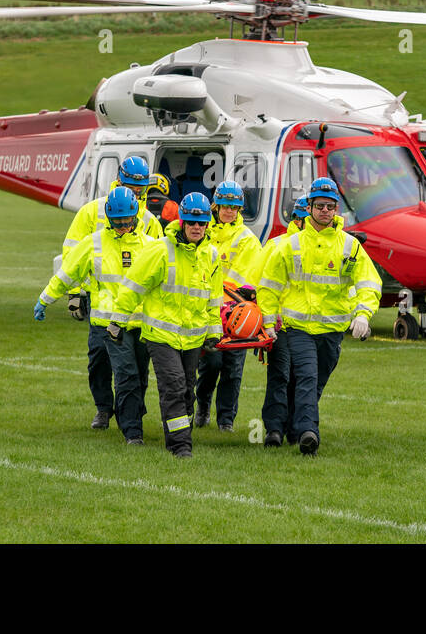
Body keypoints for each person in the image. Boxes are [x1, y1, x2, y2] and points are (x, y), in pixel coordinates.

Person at [257, 178, 381, 455]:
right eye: (319, 206)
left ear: (336, 210)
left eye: (330, 206)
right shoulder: (290, 246)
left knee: (316, 381)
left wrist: (362, 314)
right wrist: (268, 320)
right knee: (307, 377)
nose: (325, 211)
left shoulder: (350, 246)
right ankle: (308, 433)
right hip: (297, 328)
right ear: (309, 208)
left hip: (333, 330)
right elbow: (269, 285)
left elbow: (368, 283)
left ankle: (290, 425)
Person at [35, 187, 154, 440]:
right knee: (126, 374)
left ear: (136, 217)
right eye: (118, 222)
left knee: (140, 377)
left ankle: (130, 415)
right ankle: (132, 432)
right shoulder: (94, 244)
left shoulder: (150, 246)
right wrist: (44, 299)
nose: (123, 226)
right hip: (109, 325)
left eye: (128, 221)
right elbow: (67, 274)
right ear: (109, 219)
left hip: (141, 325)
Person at [111, 192, 224, 458]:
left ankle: (177, 432)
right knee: (172, 386)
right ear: (182, 221)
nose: (197, 227)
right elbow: (132, 287)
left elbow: (214, 298)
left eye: (203, 222)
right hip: (161, 336)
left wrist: (214, 331)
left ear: (208, 224)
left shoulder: (211, 255)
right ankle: (180, 445)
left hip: (194, 338)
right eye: (192, 222)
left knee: (186, 391)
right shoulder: (160, 250)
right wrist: (117, 320)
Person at [194, 180, 264, 432]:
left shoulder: (247, 240)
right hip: (207, 311)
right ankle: (201, 406)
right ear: (216, 204)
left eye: (234, 207)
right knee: (210, 364)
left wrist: (235, 302)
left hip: (236, 314)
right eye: (225, 206)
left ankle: (226, 420)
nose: (229, 211)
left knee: (233, 369)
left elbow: (250, 278)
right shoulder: (201, 229)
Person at [60, 155, 164, 322]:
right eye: (132, 189)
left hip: (138, 304)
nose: (136, 194)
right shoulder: (91, 211)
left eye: (141, 190)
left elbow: (159, 263)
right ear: (119, 182)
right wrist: (74, 292)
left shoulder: (150, 221)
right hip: (98, 298)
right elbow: (73, 255)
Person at [258, 196, 309, 446]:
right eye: (302, 218)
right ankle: (274, 429)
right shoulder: (277, 245)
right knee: (280, 375)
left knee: (302, 379)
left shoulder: (323, 247)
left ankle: (295, 428)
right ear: (296, 219)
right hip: (280, 326)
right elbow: (262, 284)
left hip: (308, 327)